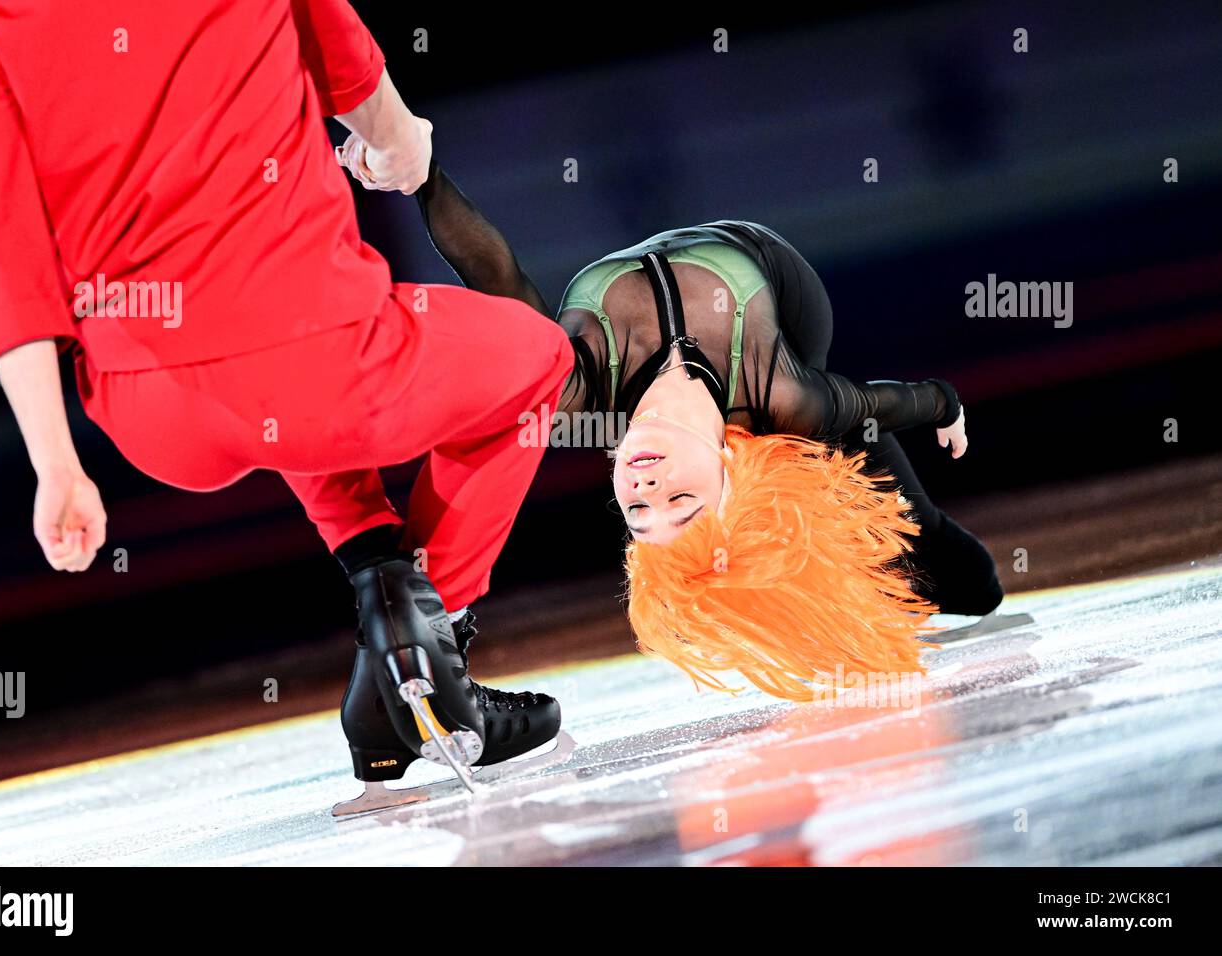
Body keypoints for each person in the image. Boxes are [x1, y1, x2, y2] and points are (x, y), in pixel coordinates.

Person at [0, 0, 570, 791]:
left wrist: (55, 464)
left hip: (150, 411)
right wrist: (402, 146)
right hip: (324, 363)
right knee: (538, 359)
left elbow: (1, 250)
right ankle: (434, 638)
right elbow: (346, 63)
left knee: (279, 387)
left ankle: (380, 613)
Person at [407, 161, 1004, 700]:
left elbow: (493, 273)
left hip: (746, 362)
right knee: (904, 511)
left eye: (639, 514)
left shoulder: (573, 400)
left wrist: (418, 171)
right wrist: (944, 403)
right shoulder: (779, 395)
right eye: (680, 502)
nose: (647, 491)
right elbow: (884, 401)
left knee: (834, 428)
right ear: (727, 470)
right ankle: (940, 555)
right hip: (785, 287)